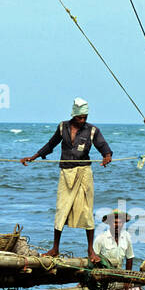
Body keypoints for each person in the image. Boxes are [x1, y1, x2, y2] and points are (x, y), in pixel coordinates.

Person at [20, 98, 113, 257]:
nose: (82, 120)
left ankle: (90, 250)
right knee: (61, 209)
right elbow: (51, 144)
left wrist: (107, 156)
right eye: (79, 117)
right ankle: (55, 249)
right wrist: (34, 156)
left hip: (84, 172)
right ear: (73, 115)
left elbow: (104, 147)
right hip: (66, 172)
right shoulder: (63, 126)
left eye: (85, 117)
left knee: (86, 210)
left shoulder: (92, 130)